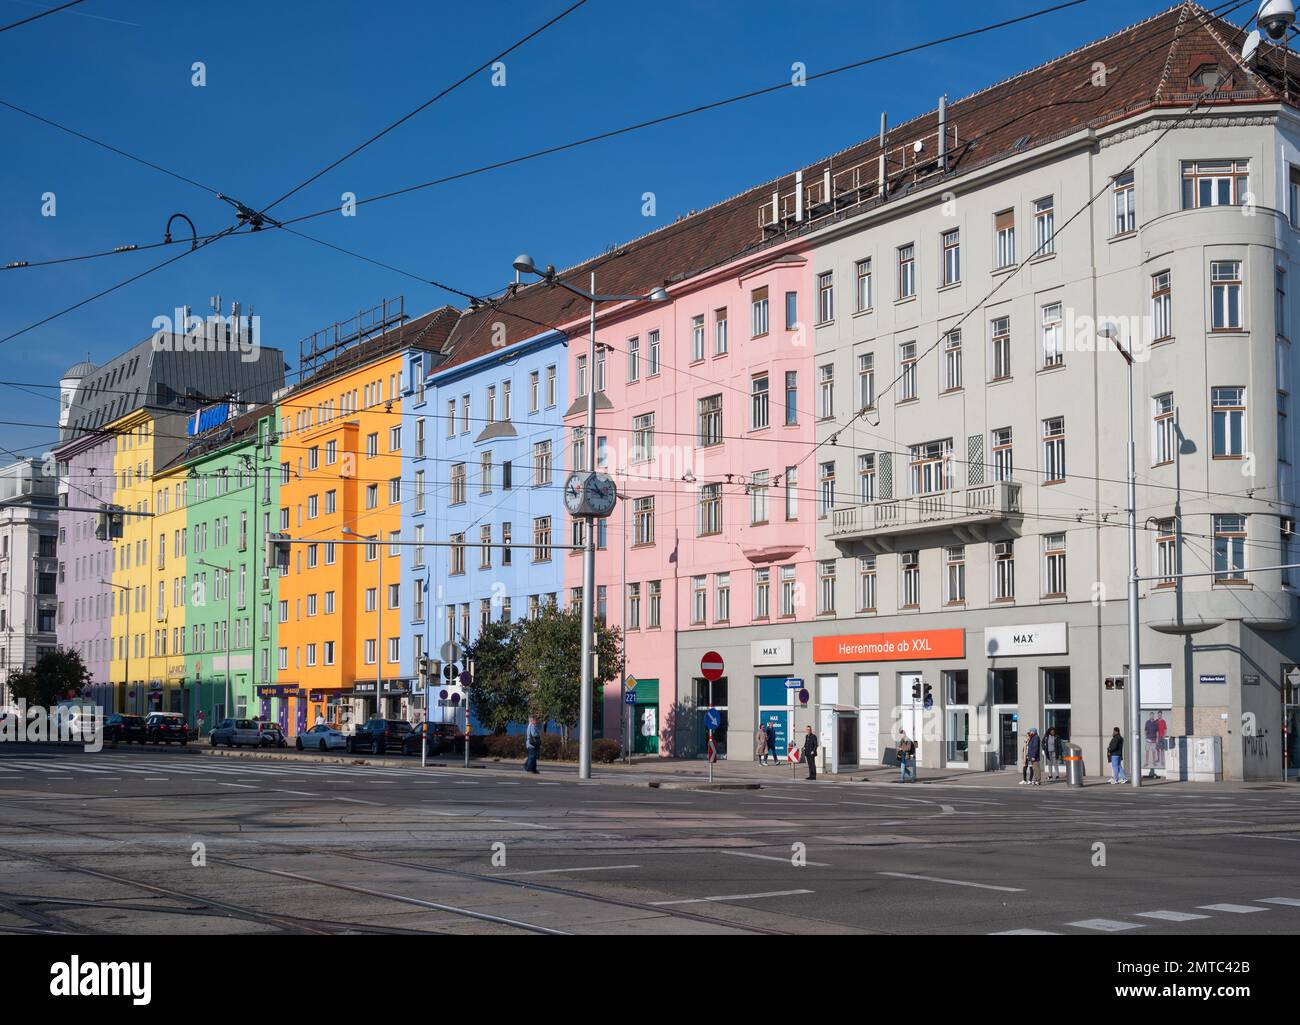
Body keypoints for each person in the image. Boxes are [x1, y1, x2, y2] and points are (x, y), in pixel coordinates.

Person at [1144, 711, 1160, 777]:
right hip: (1148, 739)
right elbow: (1145, 730)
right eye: (1151, 715)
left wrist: (1157, 739)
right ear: (1149, 716)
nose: (1152, 716)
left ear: (1154, 716)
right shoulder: (1147, 722)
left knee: (1153, 751)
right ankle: (1146, 762)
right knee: (1147, 751)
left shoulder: (1156, 723)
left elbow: (1157, 731)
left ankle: (1153, 762)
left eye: (1153, 715)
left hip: (1154, 739)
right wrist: (1145, 737)